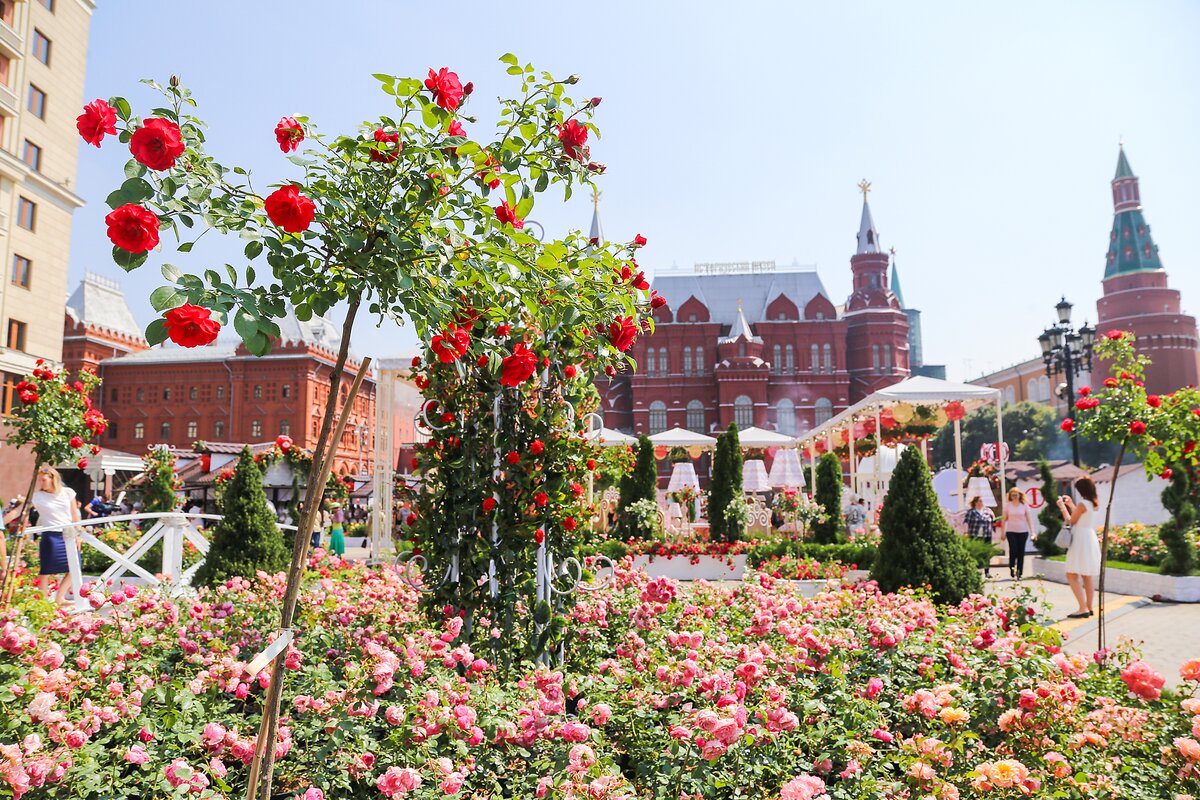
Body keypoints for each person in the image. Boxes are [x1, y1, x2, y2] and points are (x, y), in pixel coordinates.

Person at [2, 468, 80, 605]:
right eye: (39, 480)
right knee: (46, 570)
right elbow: (18, 512)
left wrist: (78, 535)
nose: (41, 483)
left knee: (75, 567)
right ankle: (43, 603)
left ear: (53, 479)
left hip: (69, 534)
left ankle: (60, 598)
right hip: (51, 536)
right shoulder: (37, 496)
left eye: (43, 480)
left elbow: (75, 517)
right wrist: (1, 523)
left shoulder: (68, 493)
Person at [1058, 476, 1102, 618]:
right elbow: (1082, 516)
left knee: (1071, 574)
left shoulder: (1083, 503)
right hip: (1089, 537)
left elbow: (1071, 521)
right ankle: (1088, 607)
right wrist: (1071, 505)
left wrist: (1062, 507)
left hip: (1080, 539)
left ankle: (1082, 608)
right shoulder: (1093, 503)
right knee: (1087, 576)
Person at [1001, 488, 1037, 580]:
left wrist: (1033, 532)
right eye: (1013, 495)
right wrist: (1003, 532)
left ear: (1020, 495)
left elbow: (1029, 519)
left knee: (1021, 552)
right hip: (1011, 531)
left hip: (1023, 531)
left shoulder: (1024, 505)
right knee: (1013, 550)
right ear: (1010, 496)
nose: (1015, 497)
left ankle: (1019, 573)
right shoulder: (1008, 506)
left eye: (1016, 495)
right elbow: (1004, 520)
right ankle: (1012, 568)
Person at [964, 495, 998, 578]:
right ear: (975, 502)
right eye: (979, 501)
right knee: (976, 553)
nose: (981, 503)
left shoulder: (988, 511)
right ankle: (976, 571)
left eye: (982, 501)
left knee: (986, 554)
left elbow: (994, 521)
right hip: (975, 535)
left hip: (986, 534)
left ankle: (987, 572)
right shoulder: (971, 512)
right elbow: (966, 523)